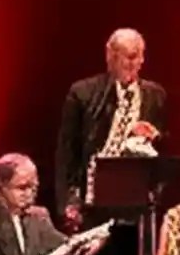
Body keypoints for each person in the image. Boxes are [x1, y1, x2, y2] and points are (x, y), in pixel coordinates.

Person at [55, 28, 168, 232]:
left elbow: (169, 145)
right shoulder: (84, 93)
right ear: (110, 56)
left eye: (137, 56)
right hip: (94, 192)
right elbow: (66, 151)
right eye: (126, 57)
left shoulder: (155, 95)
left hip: (135, 193)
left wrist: (154, 135)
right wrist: (67, 201)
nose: (132, 64)